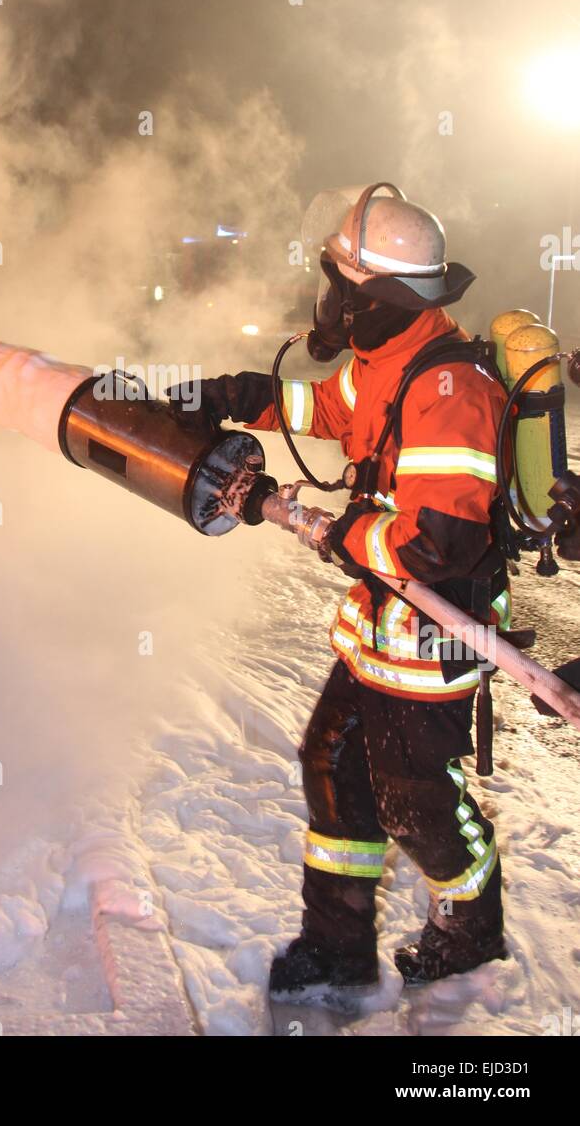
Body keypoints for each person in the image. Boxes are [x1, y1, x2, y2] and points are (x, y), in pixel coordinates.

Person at [169, 183, 511, 993]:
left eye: (339, 287)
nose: (327, 303)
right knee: (331, 763)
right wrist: (231, 394)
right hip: (383, 623)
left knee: (418, 805)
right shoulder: (387, 359)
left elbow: (436, 543)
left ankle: (472, 921)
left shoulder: (449, 390)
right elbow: (322, 407)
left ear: (375, 299)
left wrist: (337, 528)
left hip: (435, 631)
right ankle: (339, 950)